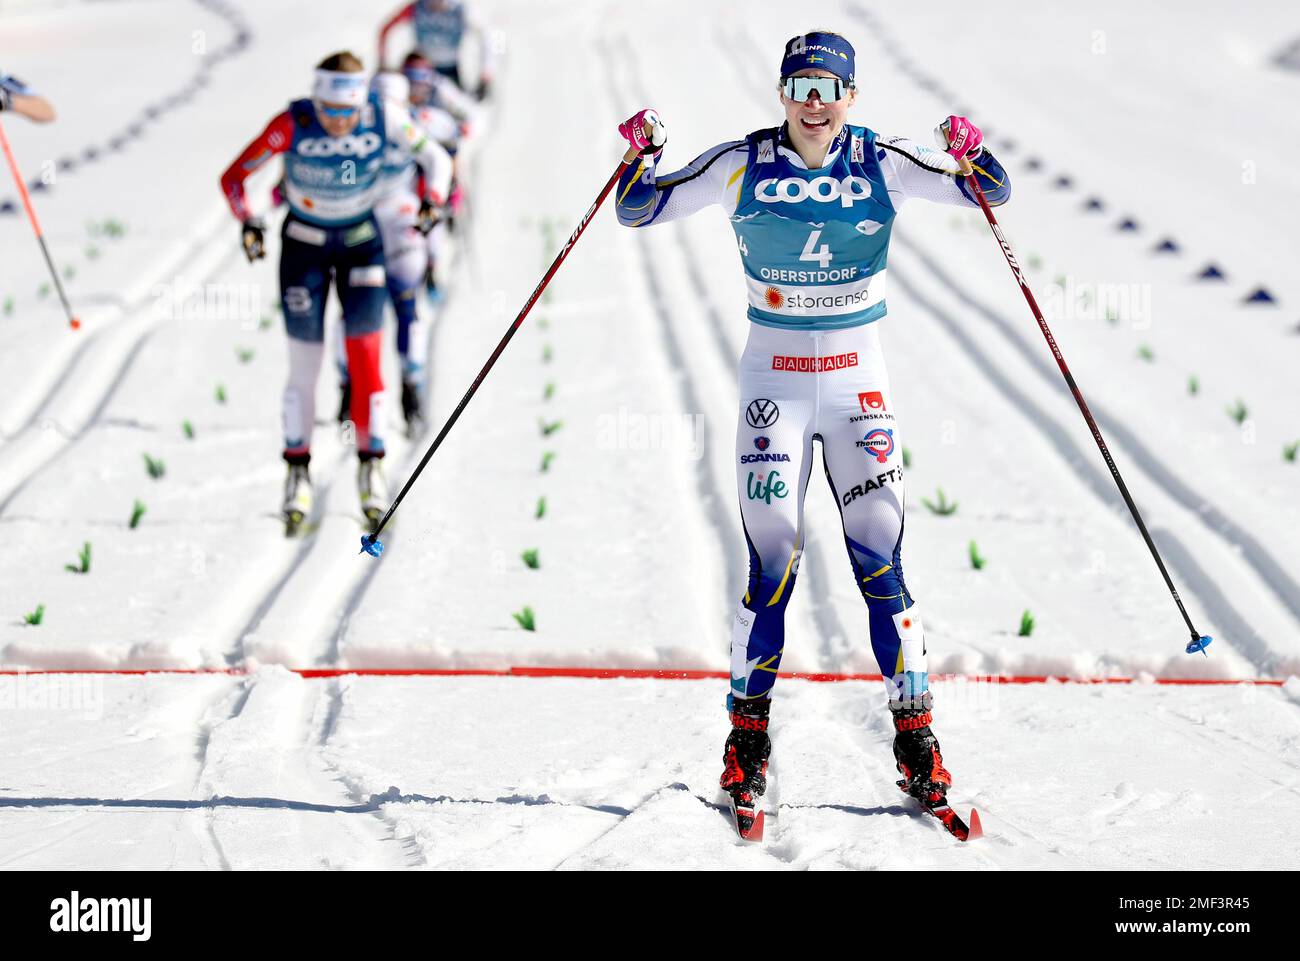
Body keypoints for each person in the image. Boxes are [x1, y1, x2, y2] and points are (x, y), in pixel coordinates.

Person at [612, 31, 1011, 833]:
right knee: (773, 558)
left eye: (830, 86)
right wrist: (638, 154)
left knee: (880, 558)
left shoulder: (882, 162)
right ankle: (746, 744)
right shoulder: (742, 163)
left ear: (852, 95)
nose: (815, 101)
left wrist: (972, 149)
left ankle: (917, 740)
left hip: (859, 385)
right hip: (775, 385)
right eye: (800, 85)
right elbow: (638, 206)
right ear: (783, 93)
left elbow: (989, 193)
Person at [219, 51, 452, 535]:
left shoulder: (383, 115)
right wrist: (250, 221)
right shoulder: (292, 123)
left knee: (366, 357)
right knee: (305, 366)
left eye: (347, 112)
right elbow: (235, 176)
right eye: (330, 112)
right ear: (316, 99)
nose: (339, 123)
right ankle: (297, 473)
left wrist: (432, 200)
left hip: (360, 244)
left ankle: (372, 468)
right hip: (302, 248)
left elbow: (436, 157)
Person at [333, 70, 454, 438]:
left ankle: (350, 391)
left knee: (355, 314)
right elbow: (453, 140)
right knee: (405, 309)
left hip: (368, 225)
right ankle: (409, 389)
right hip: (400, 221)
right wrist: (441, 193)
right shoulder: (416, 121)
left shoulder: (354, 128)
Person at [377, 0, 495, 98]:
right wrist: (383, 62)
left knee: (456, 110)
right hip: (420, 71)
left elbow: (486, 37)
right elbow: (385, 29)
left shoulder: (461, 10)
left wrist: (486, 73)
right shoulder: (416, 7)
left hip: (450, 70)